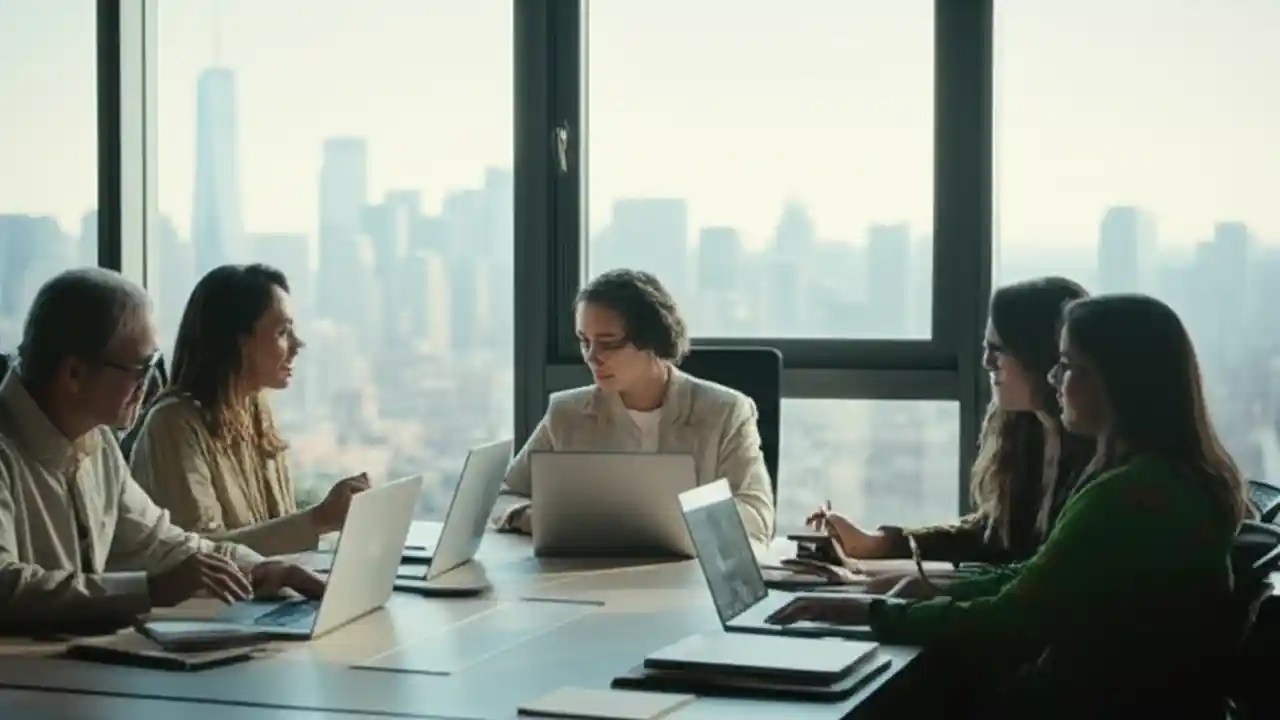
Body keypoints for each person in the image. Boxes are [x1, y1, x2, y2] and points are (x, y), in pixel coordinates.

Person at [769, 295, 1248, 714]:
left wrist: (869, 613)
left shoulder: (1130, 497)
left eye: (1069, 365)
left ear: (1116, 381)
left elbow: (1011, 621)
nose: (1055, 377)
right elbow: (1035, 576)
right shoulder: (1164, 478)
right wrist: (913, 589)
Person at [0, 268, 323, 632]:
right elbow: (5, 587)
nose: (150, 384)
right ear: (74, 374)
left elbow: (163, 541)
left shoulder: (96, 443)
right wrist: (150, 591)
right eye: (140, 369)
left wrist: (260, 568)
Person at [810, 277, 1093, 567]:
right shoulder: (1024, 430)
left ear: (1037, 354)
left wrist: (930, 586)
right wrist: (877, 543)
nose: (987, 362)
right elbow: (991, 534)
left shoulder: (1094, 462)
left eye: (998, 349)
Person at [494, 269, 775, 544]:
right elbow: (504, 496)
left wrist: (674, 522)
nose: (592, 356)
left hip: (688, 570)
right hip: (586, 569)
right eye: (584, 341)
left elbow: (757, 516)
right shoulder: (566, 414)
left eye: (608, 343)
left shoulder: (726, 412)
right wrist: (543, 520)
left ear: (653, 340)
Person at [130, 264, 368, 556]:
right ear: (238, 342)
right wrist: (318, 520)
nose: (297, 345)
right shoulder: (173, 425)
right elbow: (198, 555)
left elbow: (276, 540)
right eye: (282, 332)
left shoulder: (257, 412)